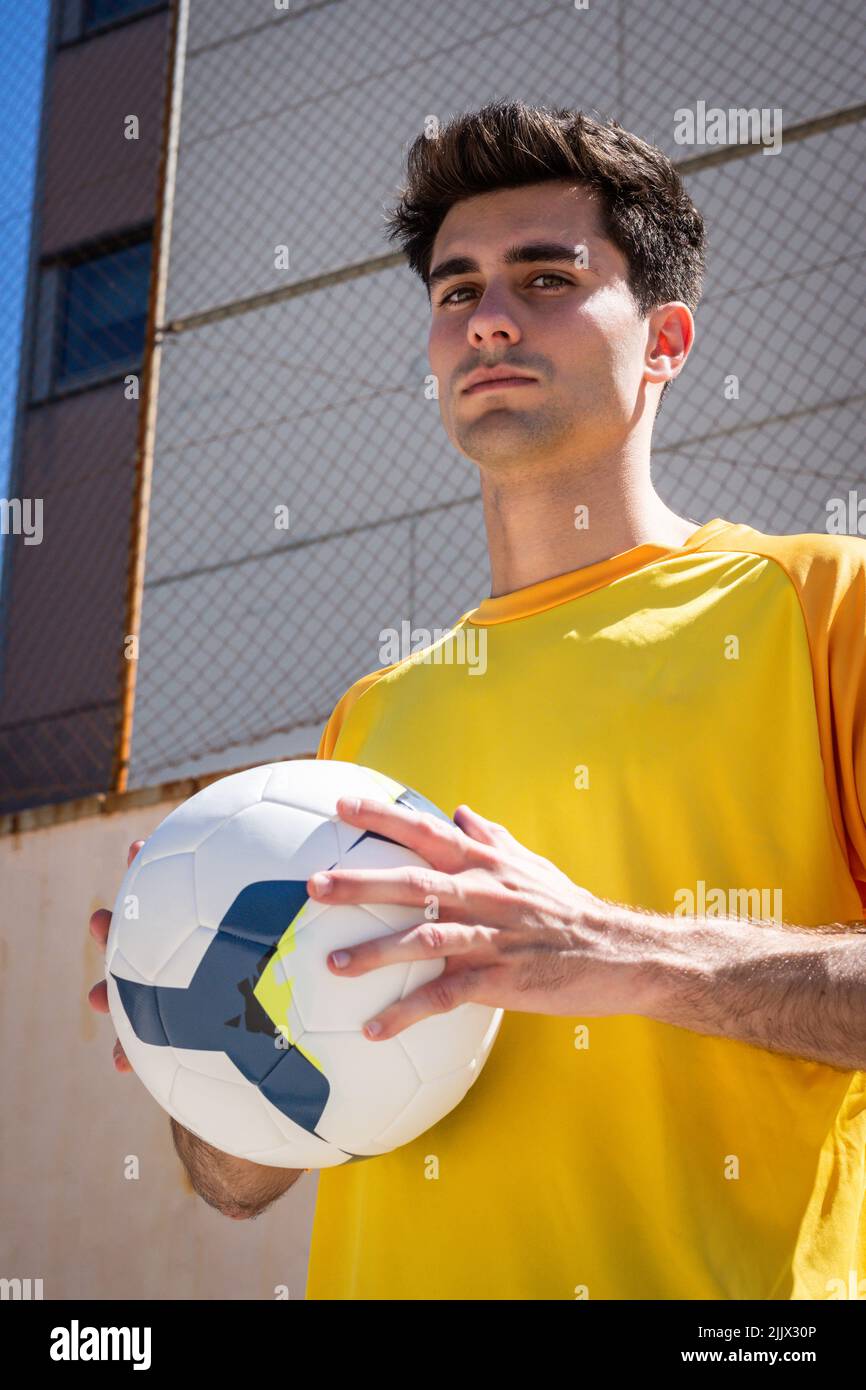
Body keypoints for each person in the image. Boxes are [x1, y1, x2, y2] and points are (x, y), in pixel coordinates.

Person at [88, 99, 866, 1300]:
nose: (488, 317)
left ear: (665, 338)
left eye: (545, 277)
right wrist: (191, 1028)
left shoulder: (819, 603)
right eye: (454, 292)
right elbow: (236, 1182)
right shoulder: (370, 719)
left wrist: (626, 951)